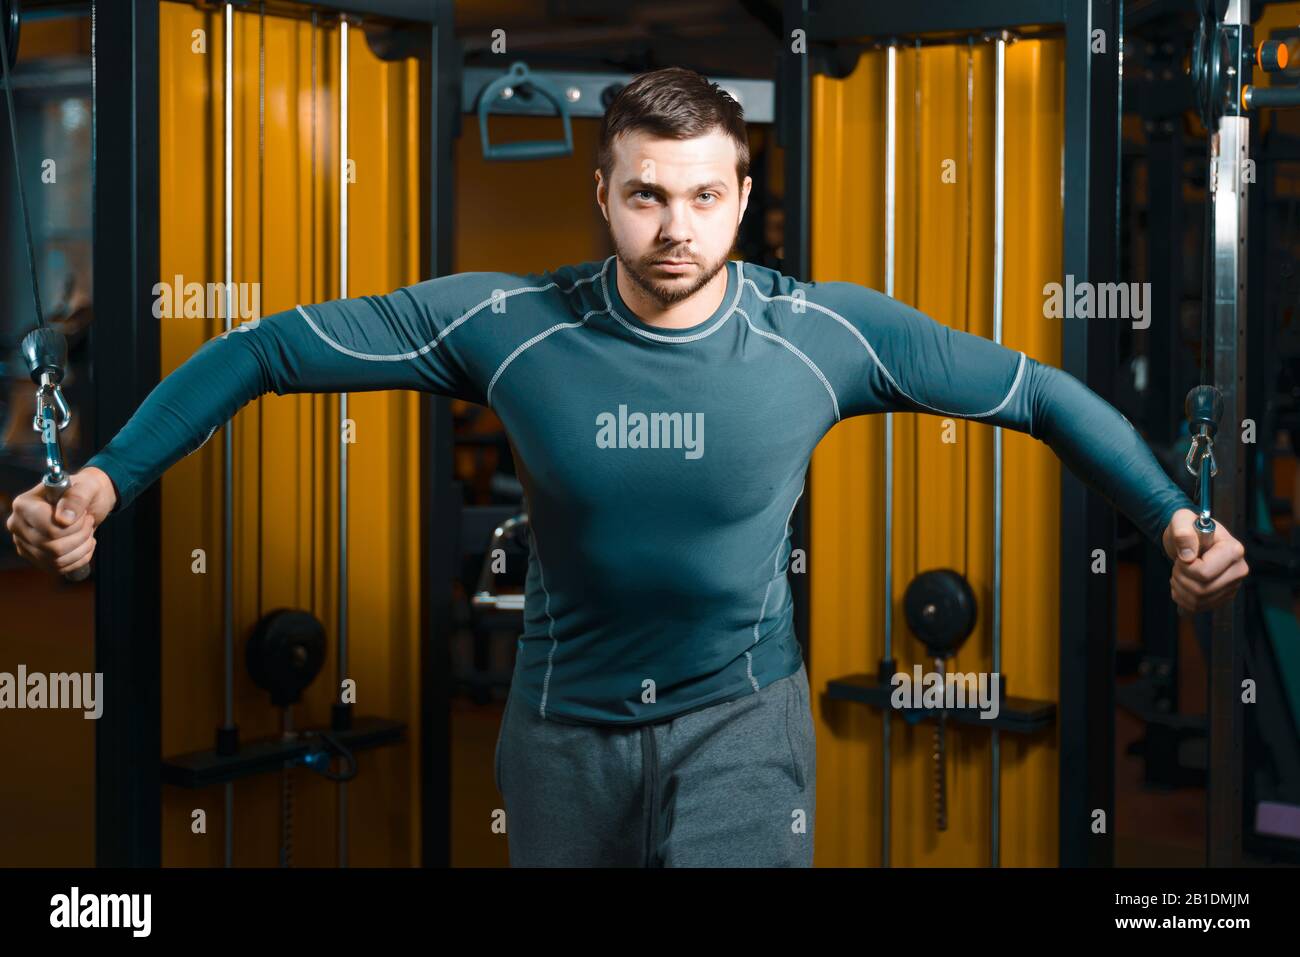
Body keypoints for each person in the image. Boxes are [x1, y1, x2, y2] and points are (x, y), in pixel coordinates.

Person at [4, 67, 1249, 866]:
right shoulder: (509, 326)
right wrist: (105, 479)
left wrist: (1170, 520)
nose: (675, 230)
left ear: (743, 195)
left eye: (705, 197)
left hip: (741, 729)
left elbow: (1041, 393)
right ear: (601, 194)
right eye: (646, 197)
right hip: (557, 737)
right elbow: (261, 351)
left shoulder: (823, 335)